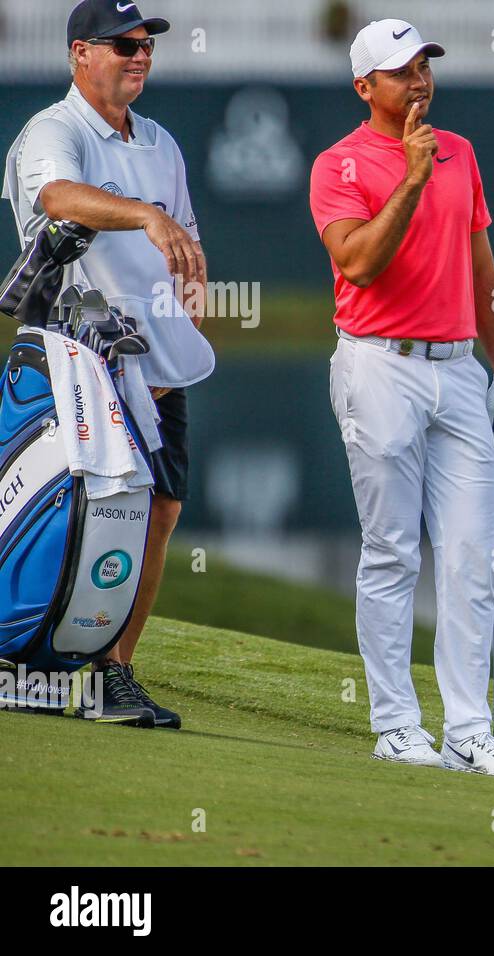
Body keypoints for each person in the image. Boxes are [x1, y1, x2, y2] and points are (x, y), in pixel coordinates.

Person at [309, 20, 494, 779]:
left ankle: (469, 731)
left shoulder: (459, 153)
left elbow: (482, 269)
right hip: (379, 366)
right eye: (403, 72)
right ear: (364, 87)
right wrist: (409, 177)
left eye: (425, 68)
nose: (420, 82)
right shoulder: (338, 165)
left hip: (459, 368)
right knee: (392, 552)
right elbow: (358, 264)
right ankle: (397, 726)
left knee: (472, 557)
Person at [2, 0, 215, 728]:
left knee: (158, 512)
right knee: (75, 508)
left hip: (155, 365)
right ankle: (25, 657)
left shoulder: (160, 143)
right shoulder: (53, 130)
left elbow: (187, 245)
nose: (140, 55)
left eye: (147, 44)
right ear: (80, 55)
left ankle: (110, 675)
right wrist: (144, 213)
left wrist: (185, 314)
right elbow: (58, 196)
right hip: (78, 357)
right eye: (124, 45)